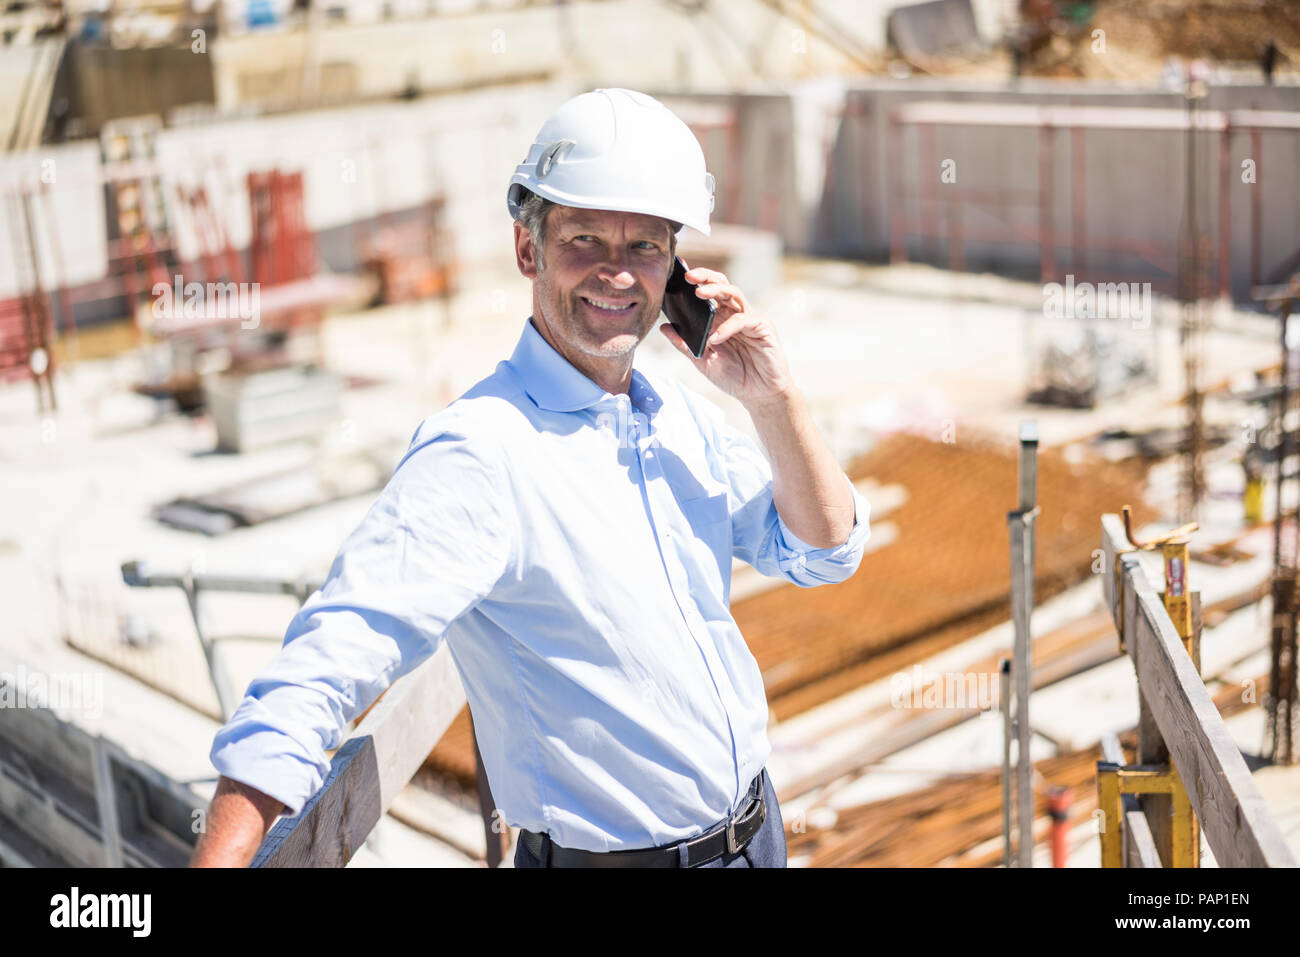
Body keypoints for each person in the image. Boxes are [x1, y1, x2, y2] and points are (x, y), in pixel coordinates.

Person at [192, 88, 871, 868]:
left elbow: (824, 552)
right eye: (586, 238)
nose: (618, 274)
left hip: (756, 837)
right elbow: (326, 663)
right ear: (528, 250)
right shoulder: (480, 453)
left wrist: (775, 402)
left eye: (646, 247)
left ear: (677, 272)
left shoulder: (677, 417)